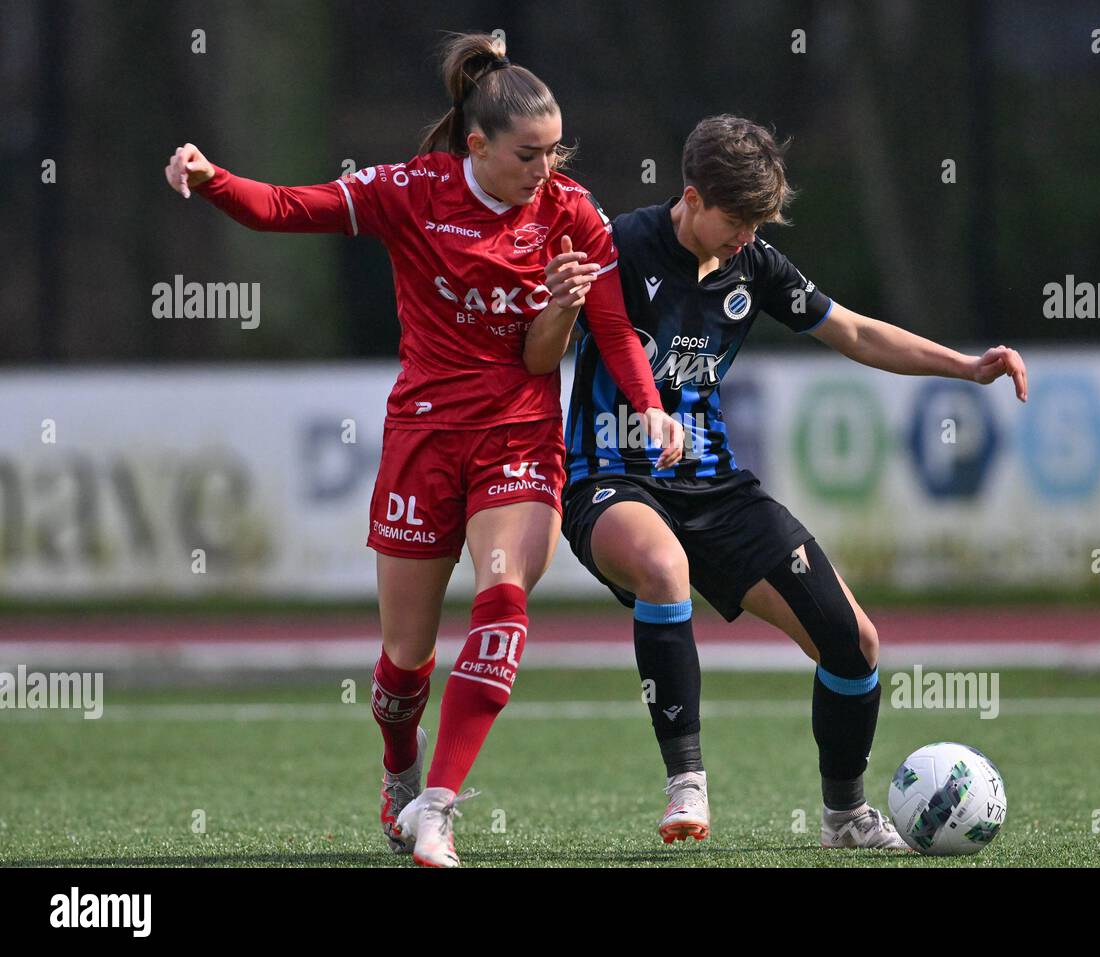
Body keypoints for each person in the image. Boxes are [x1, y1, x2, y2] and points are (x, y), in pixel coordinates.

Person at [165, 32, 683, 868]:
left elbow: (614, 326)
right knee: (405, 663)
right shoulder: (413, 191)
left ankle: (437, 808)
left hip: (518, 435)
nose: (546, 172)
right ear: (476, 145)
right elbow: (291, 208)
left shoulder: (571, 212)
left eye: (558, 153)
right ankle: (400, 771)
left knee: (505, 592)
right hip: (424, 437)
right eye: (529, 155)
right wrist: (208, 177)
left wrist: (650, 406)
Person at [524, 114, 1027, 850]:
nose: (746, 239)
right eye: (737, 221)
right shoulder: (620, 244)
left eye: (758, 224)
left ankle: (846, 816)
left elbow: (851, 331)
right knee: (665, 568)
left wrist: (965, 364)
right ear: (691, 197)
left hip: (716, 488)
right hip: (610, 479)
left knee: (853, 643)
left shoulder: (752, 264)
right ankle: (686, 779)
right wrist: (557, 304)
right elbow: (543, 357)